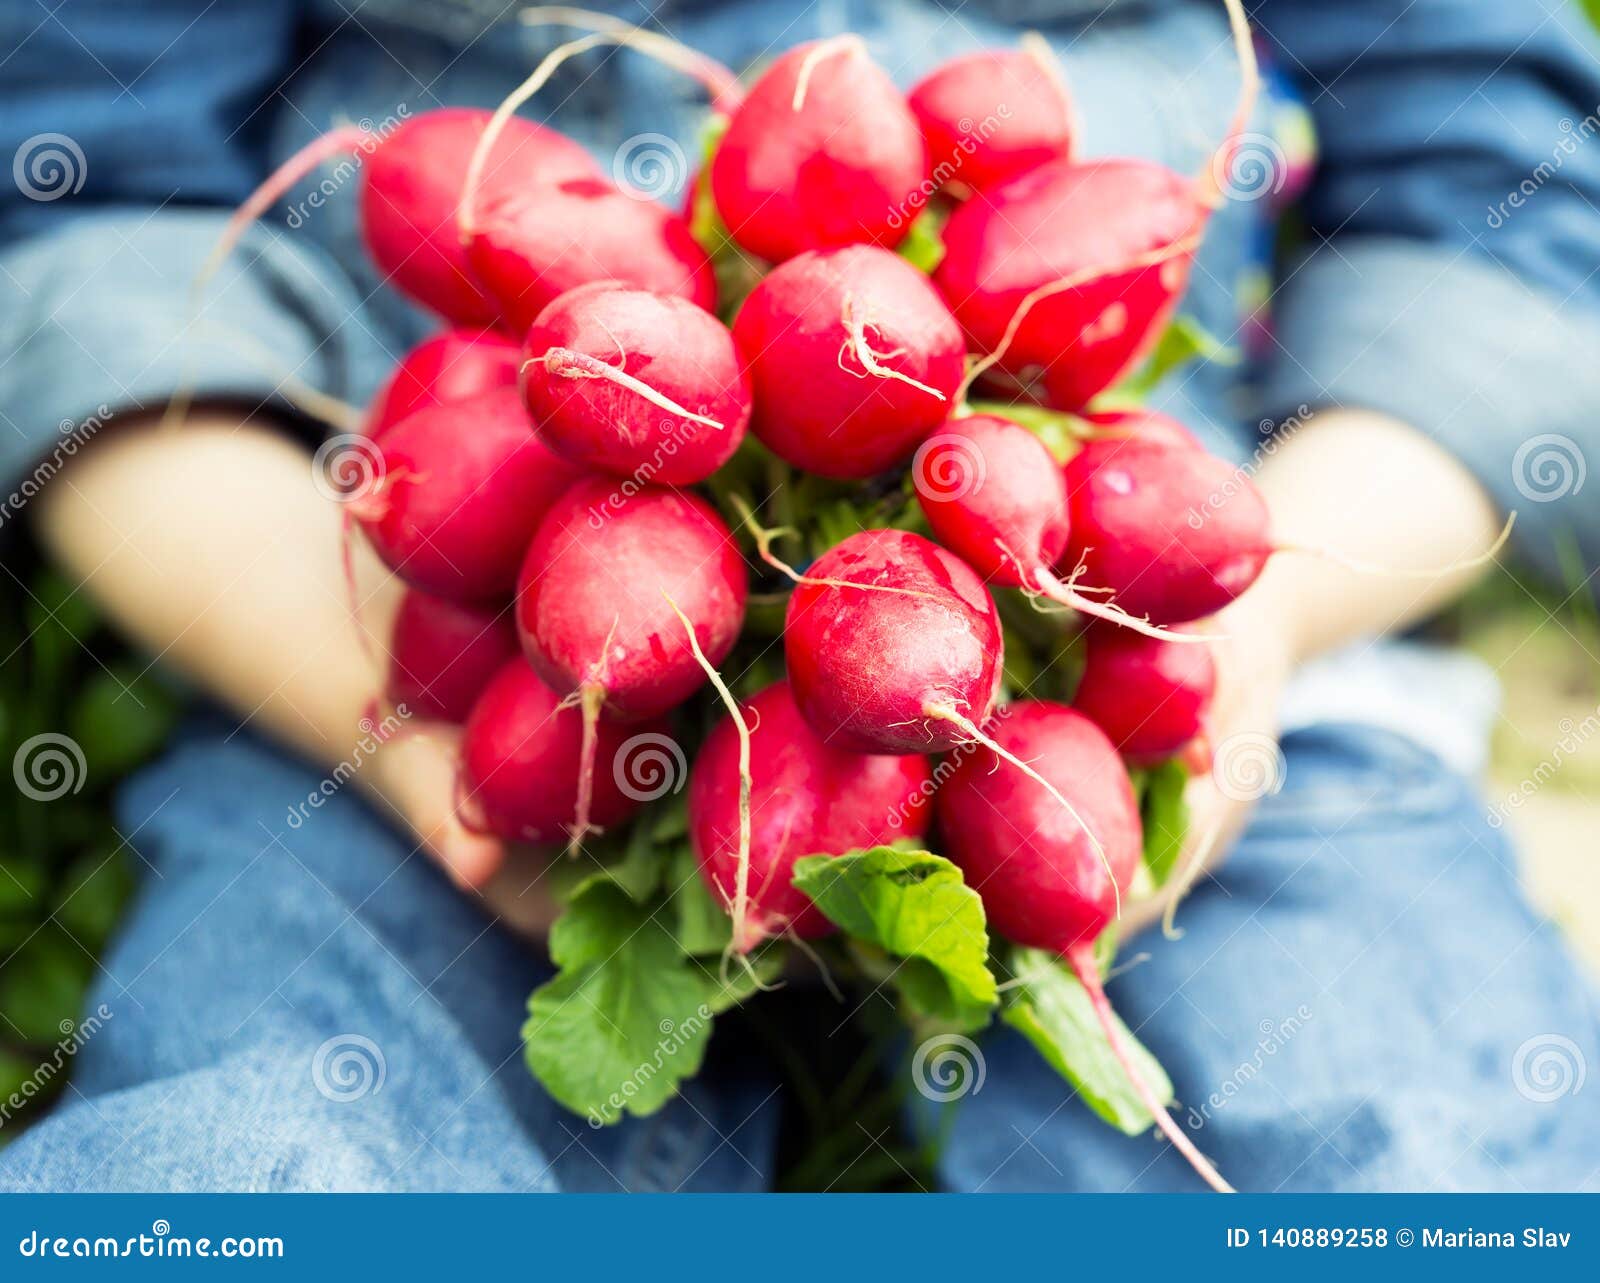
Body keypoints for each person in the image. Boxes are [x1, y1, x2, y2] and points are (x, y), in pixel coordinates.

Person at [2, 0, 1598, 1193]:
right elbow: (75, 199)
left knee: (1399, 1140)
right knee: (245, 1159)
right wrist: (349, 676)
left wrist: (1265, 603)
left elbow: (1504, 209)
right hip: (426, 658)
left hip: (1145, 666)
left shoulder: (1163, 612)